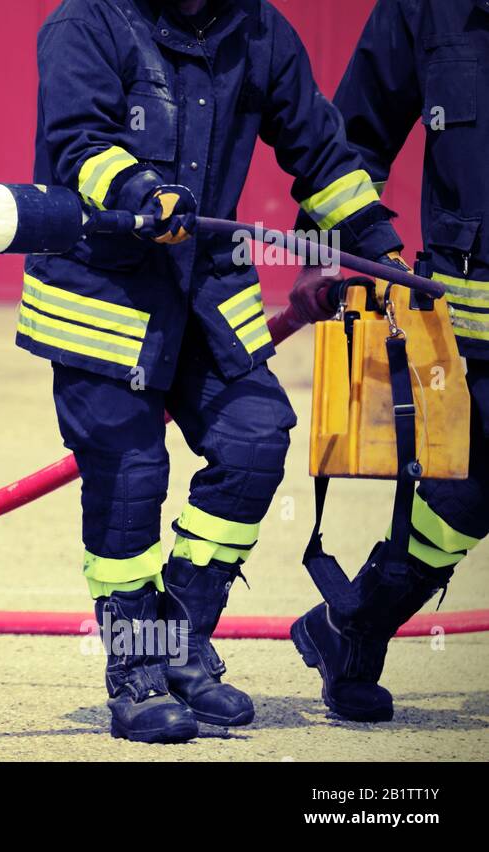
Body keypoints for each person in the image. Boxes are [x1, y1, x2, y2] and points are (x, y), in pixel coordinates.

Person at [26, 0, 406, 742]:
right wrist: (141, 193)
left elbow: (323, 155)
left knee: (258, 439)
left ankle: (183, 641)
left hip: (202, 296)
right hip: (104, 301)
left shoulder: (258, 28)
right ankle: (135, 672)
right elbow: (79, 141)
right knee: (131, 475)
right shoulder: (86, 22)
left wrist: (375, 243)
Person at [287, 0, 489, 722]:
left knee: (468, 498)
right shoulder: (426, 8)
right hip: (469, 325)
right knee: (464, 499)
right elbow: (355, 136)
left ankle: (350, 628)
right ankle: (354, 628)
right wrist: (324, 253)